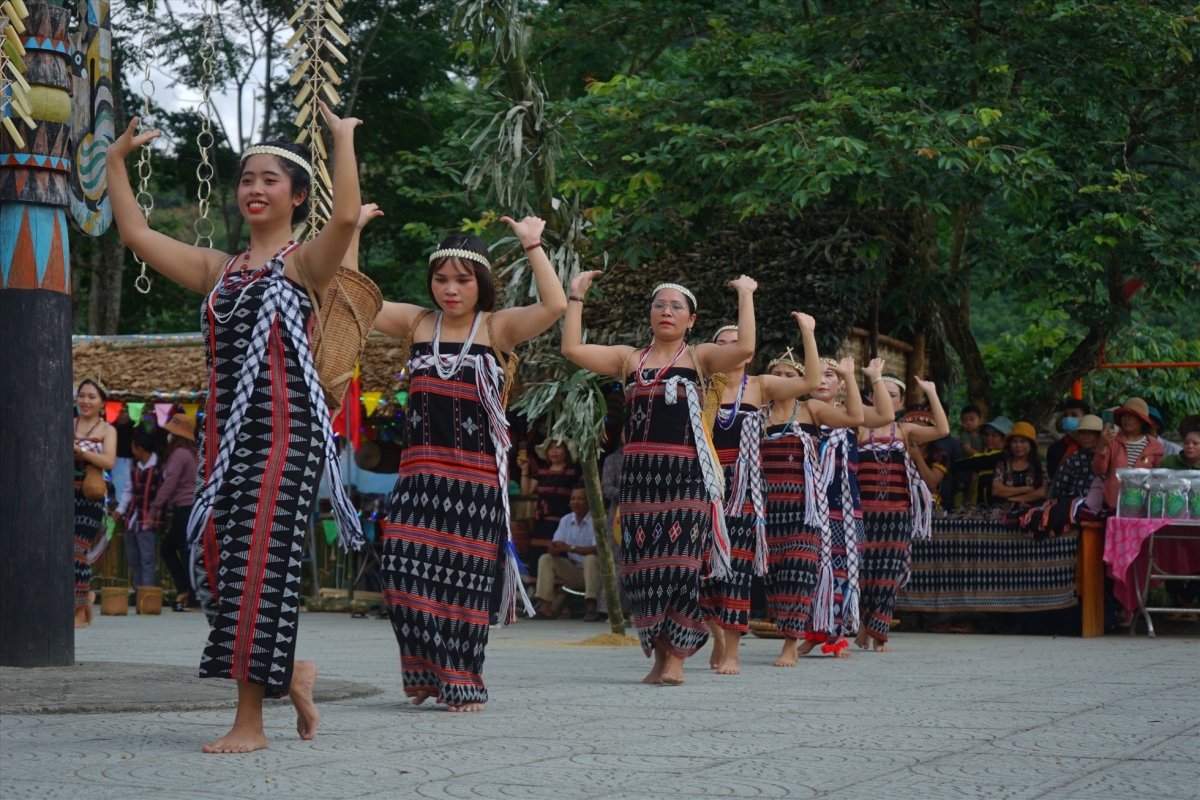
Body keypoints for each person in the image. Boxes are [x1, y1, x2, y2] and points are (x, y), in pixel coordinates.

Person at [106, 101, 364, 753]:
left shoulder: (306, 266)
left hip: (287, 436)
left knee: (257, 565)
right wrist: (114, 162)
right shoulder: (217, 270)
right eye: (247, 178)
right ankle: (290, 674)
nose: (254, 188)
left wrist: (341, 140)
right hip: (225, 442)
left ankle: (250, 723)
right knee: (220, 566)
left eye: (270, 179)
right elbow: (135, 235)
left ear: (297, 196)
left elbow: (345, 218)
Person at [365, 208, 567, 712]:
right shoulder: (416, 322)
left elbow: (555, 304)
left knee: (464, 586)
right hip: (418, 477)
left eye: (462, 280)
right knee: (400, 571)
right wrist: (350, 230)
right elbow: (350, 296)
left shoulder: (497, 328)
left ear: (481, 284)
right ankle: (425, 670)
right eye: (441, 279)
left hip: (475, 482)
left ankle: (462, 681)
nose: (450, 289)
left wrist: (532, 244)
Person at [561, 270, 759, 686]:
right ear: (650, 314)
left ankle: (677, 660)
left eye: (676, 307)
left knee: (682, 567)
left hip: (687, 476)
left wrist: (746, 293)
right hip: (639, 479)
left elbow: (745, 347)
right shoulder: (629, 359)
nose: (667, 311)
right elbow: (572, 349)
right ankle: (660, 654)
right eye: (659, 305)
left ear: (691, 319)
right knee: (643, 572)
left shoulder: (700, 358)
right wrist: (575, 296)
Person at [700, 314, 821, 675]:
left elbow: (811, 382)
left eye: (736, 343)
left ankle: (733, 652)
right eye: (721, 344)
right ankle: (717, 637)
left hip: (744, 488)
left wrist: (807, 333)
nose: (729, 350)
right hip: (704, 483)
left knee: (736, 570)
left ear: (748, 351)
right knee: (702, 570)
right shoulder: (700, 387)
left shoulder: (760, 386)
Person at [762, 354, 878, 666]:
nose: (782, 379)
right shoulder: (758, 415)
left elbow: (861, 416)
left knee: (804, 575)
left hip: (811, 510)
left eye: (790, 374)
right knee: (777, 581)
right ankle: (806, 633)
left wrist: (853, 376)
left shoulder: (813, 410)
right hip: (769, 510)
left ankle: (799, 641)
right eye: (776, 373)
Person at [856, 373, 950, 652]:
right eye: (879, 392)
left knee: (888, 574)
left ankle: (880, 635)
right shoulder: (858, 428)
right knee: (863, 573)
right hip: (862, 513)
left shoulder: (904, 430)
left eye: (892, 394)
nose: (885, 398)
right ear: (870, 398)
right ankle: (862, 625)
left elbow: (942, 430)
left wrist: (931, 392)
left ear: (900, 402)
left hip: (897, 513)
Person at [72, 379, 117, 629]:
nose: (85, 401)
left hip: (90, 496)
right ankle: (83, 597)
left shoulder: (107, 430)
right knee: (61, 551)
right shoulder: (68, 423)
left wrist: (81, 452)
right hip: (64, 494)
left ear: (102, 401)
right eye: (82, 395)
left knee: (77, 549)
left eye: (92, 396)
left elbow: (109, 462)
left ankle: (79, 610)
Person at [1018, 415, 1105, 537]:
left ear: (1100, 436)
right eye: (1082, 433)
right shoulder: (1073, 459)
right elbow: (1059, 488)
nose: (1085, 437)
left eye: (1090, 433)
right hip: (1076, 513)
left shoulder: (1109, 457)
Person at [152, 413, 201, 612]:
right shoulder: (192, 453)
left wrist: (155, 507)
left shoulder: (179, 454)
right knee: (168, 548)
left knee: (186, 553)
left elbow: (169, 482)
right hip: (189, 508)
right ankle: (185, 590)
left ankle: (194, 599)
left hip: (184, 508)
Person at [533, 485, 601, 620]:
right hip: (576, 572)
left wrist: (570, 548)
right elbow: (557, 543)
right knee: (546, 558)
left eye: (580, 499)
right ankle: (545, 607)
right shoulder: (566, 519)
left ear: (589, 501)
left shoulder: (596, 520)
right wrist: (554, 549)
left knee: (590, 559)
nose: (575, 502)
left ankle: (592, 607)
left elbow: (598, 549)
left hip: (598, 574)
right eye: (573, 499)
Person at [1093, 397, 1165, 511]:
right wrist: (1101, 446)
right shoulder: (1112, 441)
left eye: (1131, 415)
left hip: (1142, 506)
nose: (1126, 419)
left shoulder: (1155, 446)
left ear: (1142, 420)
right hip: (1112, 506)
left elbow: (1159, 479)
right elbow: (1098, 470)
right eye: (1124, 415)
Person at [521, 439, 582, 572]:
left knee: (559, 552)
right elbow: (526, 491)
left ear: (566, 452)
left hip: (564, 521)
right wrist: (524, 470)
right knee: (539, 557)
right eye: (550, 448)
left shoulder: (574, 471)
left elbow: (583, 493)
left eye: (558, 447)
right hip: (541, 523)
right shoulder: (541, 471)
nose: (554, 451)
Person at [113, 431, 161, 592]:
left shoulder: (160, 466)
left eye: (133, 447)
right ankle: (138, 591)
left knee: (147, 559)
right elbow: (128, 490)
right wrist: (120, 509)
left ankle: (147, 593)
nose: (132, 450)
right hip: (132, 518)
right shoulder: (134, 465)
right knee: (133, 559)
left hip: (148, 519)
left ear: (140, 449)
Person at [953, 416, 1012, 506]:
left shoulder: (1002, 457)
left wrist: (953, 465)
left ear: (1005, 440)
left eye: (994, 435)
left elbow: (972, 463)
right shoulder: (986, 454)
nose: (989, 438)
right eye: (987, 435)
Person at [991, 422, 1047, 506]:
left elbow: (1042, 492)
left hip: (1033, 512)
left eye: (1022, 441)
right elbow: (996, 490)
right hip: (1006, 513)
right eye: (1014, 441)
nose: (1018, 445)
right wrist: (1025, 489)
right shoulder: (1002, 466)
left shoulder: (1040, 467)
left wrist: (1012, 499)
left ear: (1031, 444)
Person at [1047, 399, 1092, 476]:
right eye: (1066, 415)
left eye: (1074, 415)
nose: (1068, 418)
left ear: (1086, 418)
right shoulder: (1054, 448)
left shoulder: (1094, 447)